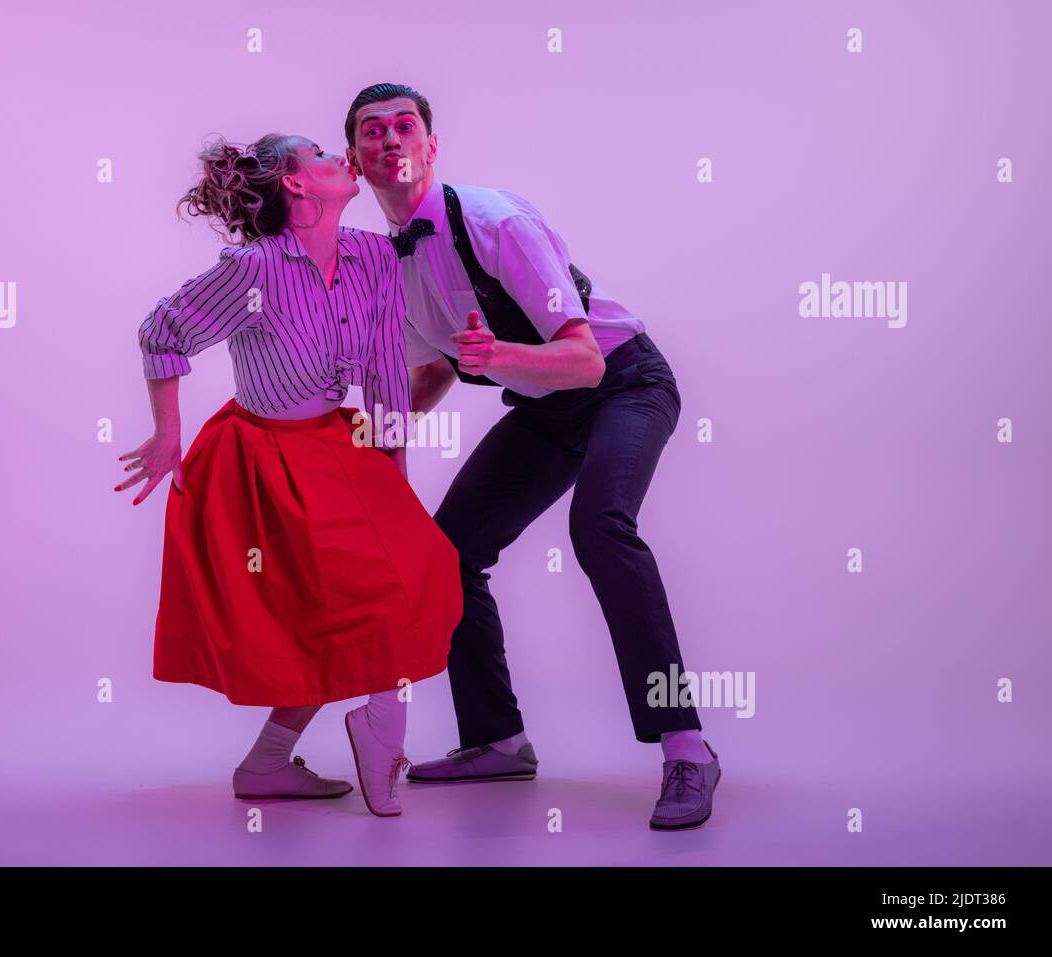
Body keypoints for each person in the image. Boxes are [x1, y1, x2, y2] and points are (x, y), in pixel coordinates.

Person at [343, 83, 722, 829]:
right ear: (355, 161)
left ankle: (687, 746)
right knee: (449, 551)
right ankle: (497, 740)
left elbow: (583, 359)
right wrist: (357, 437)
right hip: (548, 409)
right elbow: (434, 371)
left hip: (625, 384)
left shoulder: (496, 222)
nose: (390, 139)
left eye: (404, 126)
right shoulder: (393, 264)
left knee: (600, 525)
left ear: (430, 146)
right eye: (372, 131)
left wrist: (496, 356)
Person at [116, 132, 463, 817]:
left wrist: (394, 479)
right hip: (262, 462)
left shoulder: (372, 255)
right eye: (322, 155)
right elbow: (162, 330)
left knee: (414, 573)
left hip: (339, 445)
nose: (341, 157)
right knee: (325, 616)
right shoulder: (253, 268)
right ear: (296, 184)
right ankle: (368, 735)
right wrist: (168, 432)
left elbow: (387, 368)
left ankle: (271, 761)